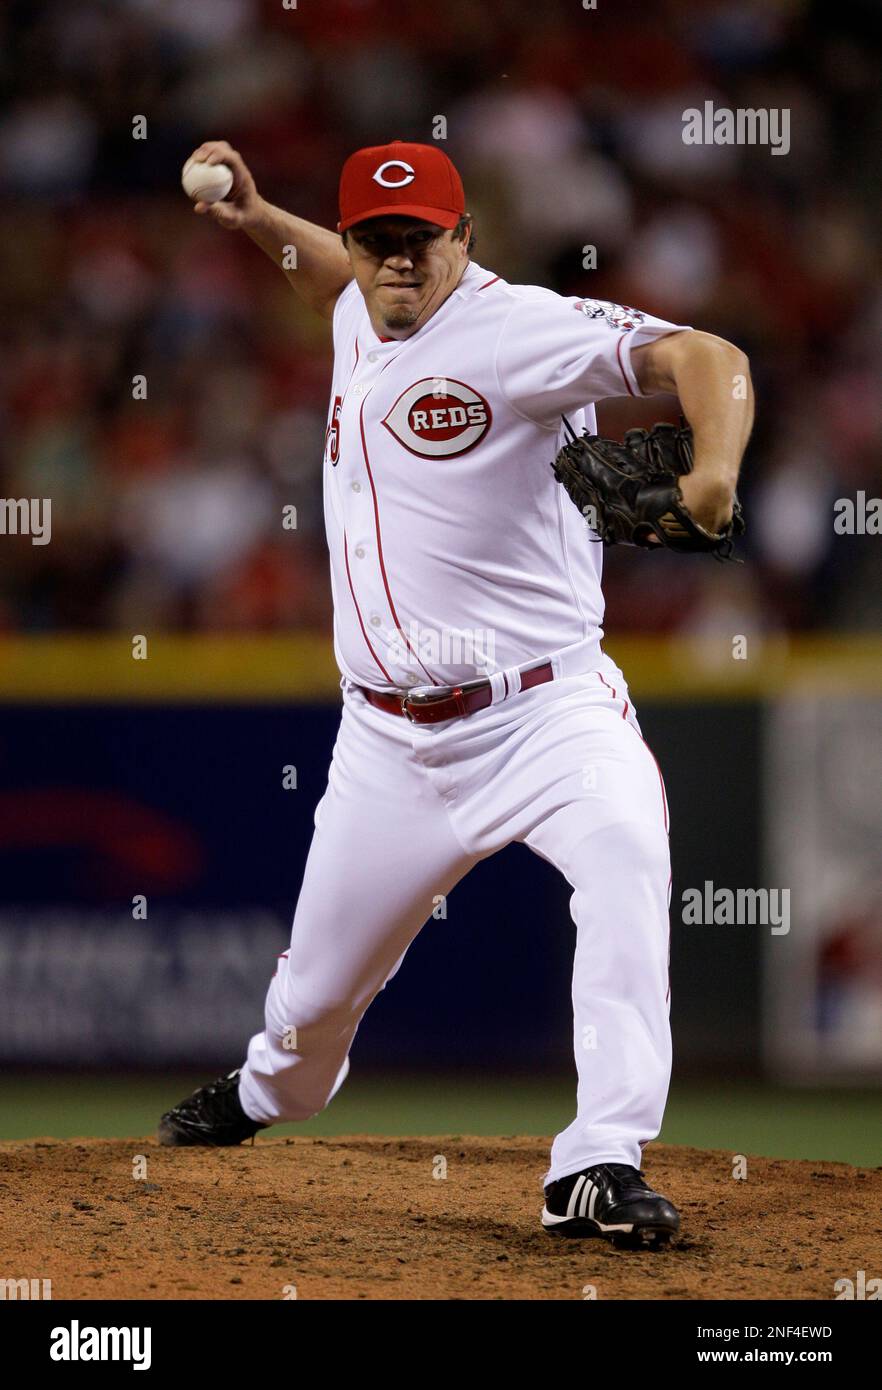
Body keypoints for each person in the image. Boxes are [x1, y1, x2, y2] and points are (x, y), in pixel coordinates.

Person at [158, 140, 753, 1247]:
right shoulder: (354, 300)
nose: (397, 264)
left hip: (547, 711)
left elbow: (704, 354)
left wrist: (712, 472)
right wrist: (257, 220)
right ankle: (263, 1094)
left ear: (462, 239)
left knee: (626, 860)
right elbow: (324, 275)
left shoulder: (521, 328)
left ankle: (599, 1159)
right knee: (310, 1007)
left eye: (419, 241)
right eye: (376, 242)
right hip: (387, 745)